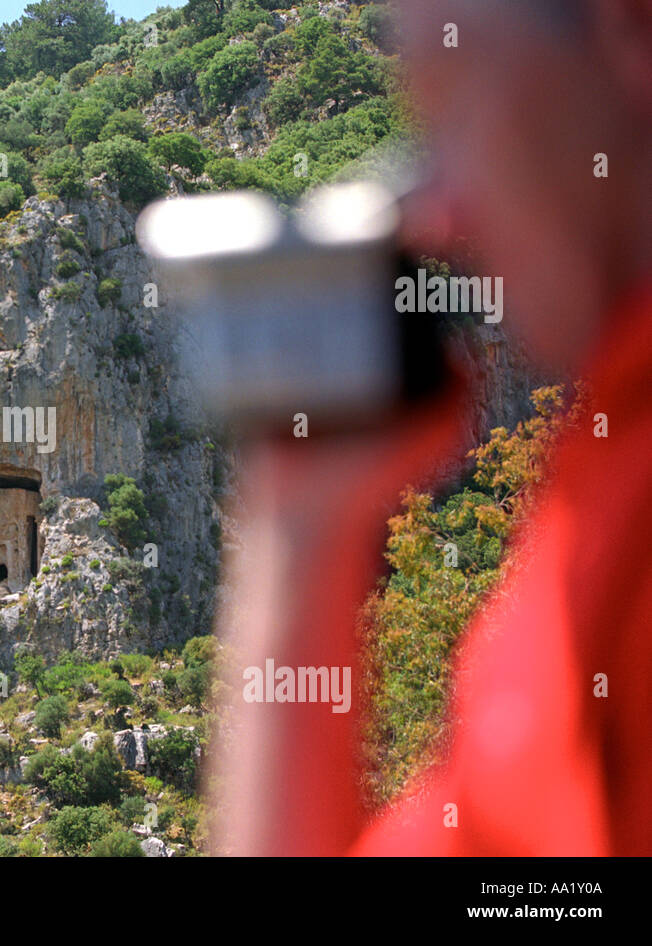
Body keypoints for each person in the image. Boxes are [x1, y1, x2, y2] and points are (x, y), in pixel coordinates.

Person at [214, 0, 652, 855]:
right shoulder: (587, 519)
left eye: (453, 107)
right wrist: (303, 522)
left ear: (632, 30)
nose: (436, 214)